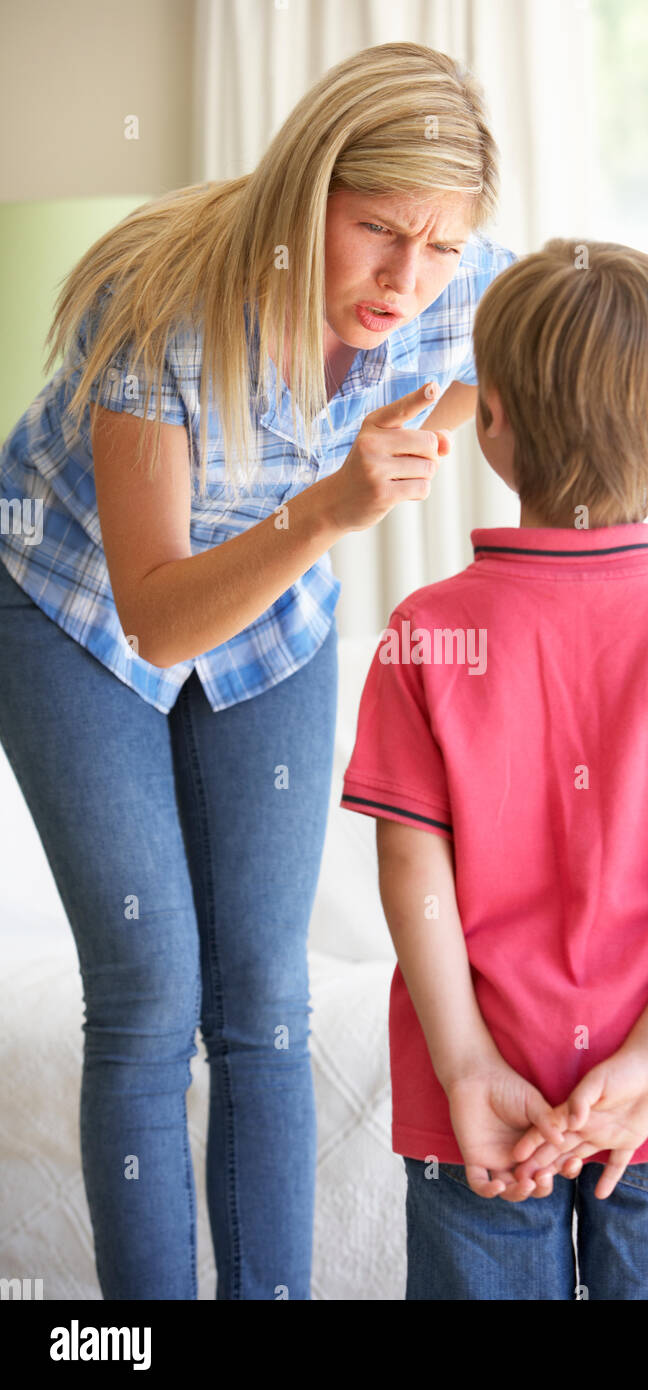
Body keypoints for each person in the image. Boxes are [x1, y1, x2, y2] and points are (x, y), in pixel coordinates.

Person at [0, 41, 517, 1299]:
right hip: (79, 602)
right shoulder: (160, 304)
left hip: (275, 616)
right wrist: (337, 504)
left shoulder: (462, 284)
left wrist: (419, 430)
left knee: (265, 1001)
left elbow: (502, 355)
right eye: (378, 229)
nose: (407, 278)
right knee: (149, 987)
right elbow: (158, 616)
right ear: (307, 188)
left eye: (440, 244)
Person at [339, 238, 648, 1300]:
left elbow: (411, 874)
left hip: (476, 1102)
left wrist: (466, 1064)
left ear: (491, 419)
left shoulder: (425, 632)